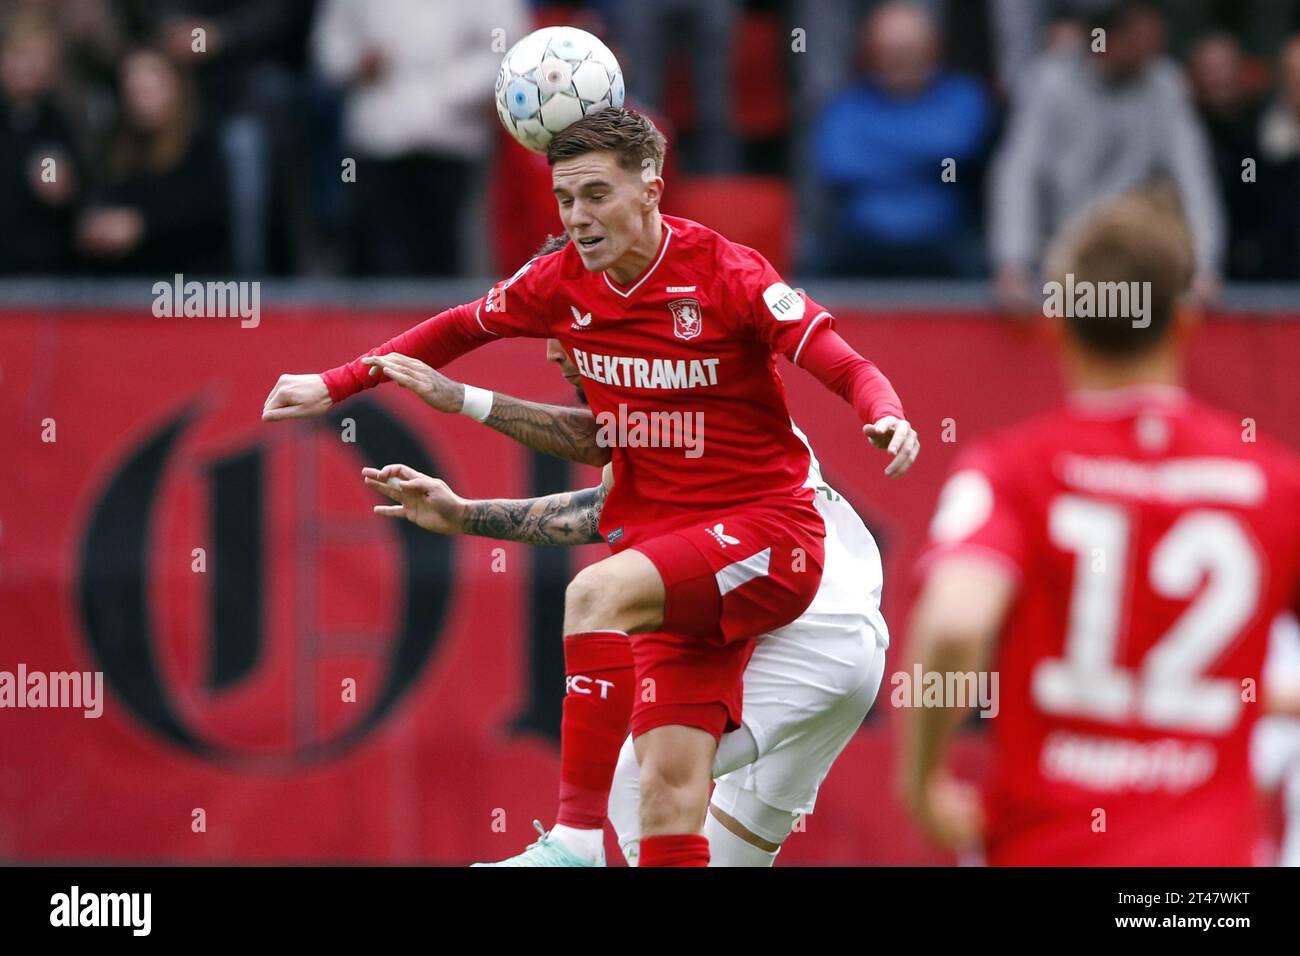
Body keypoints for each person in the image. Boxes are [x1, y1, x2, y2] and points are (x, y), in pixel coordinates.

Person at [263, 108, 918, 866]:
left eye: (596, 195)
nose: (577, 217)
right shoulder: (578, 310)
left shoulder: (724, 276)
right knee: (665, 798)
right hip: (719, 589)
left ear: (651, 190)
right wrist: (344, 391)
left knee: (597, 612)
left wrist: (887, 414)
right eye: (564, 199)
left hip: (798, 590)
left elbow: (840, 361)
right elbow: (482, 350)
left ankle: (571, 846)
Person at [353, 320, 889, 866]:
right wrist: (465, 514)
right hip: (837, 646)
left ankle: (573, 850)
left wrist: (464, 399)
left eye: (558, 318)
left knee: (638, 772)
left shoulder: (684, 376)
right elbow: (606, 504)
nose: (550, 352)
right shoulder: (660, 392)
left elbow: (604, 439)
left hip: (812, 638)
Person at [899, 190, 1300, 865]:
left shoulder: (1014, 470)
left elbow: (956, 621)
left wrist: (921, 783)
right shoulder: (1272, 482)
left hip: (1047, 845)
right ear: (1188, 318)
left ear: (1057, 322)